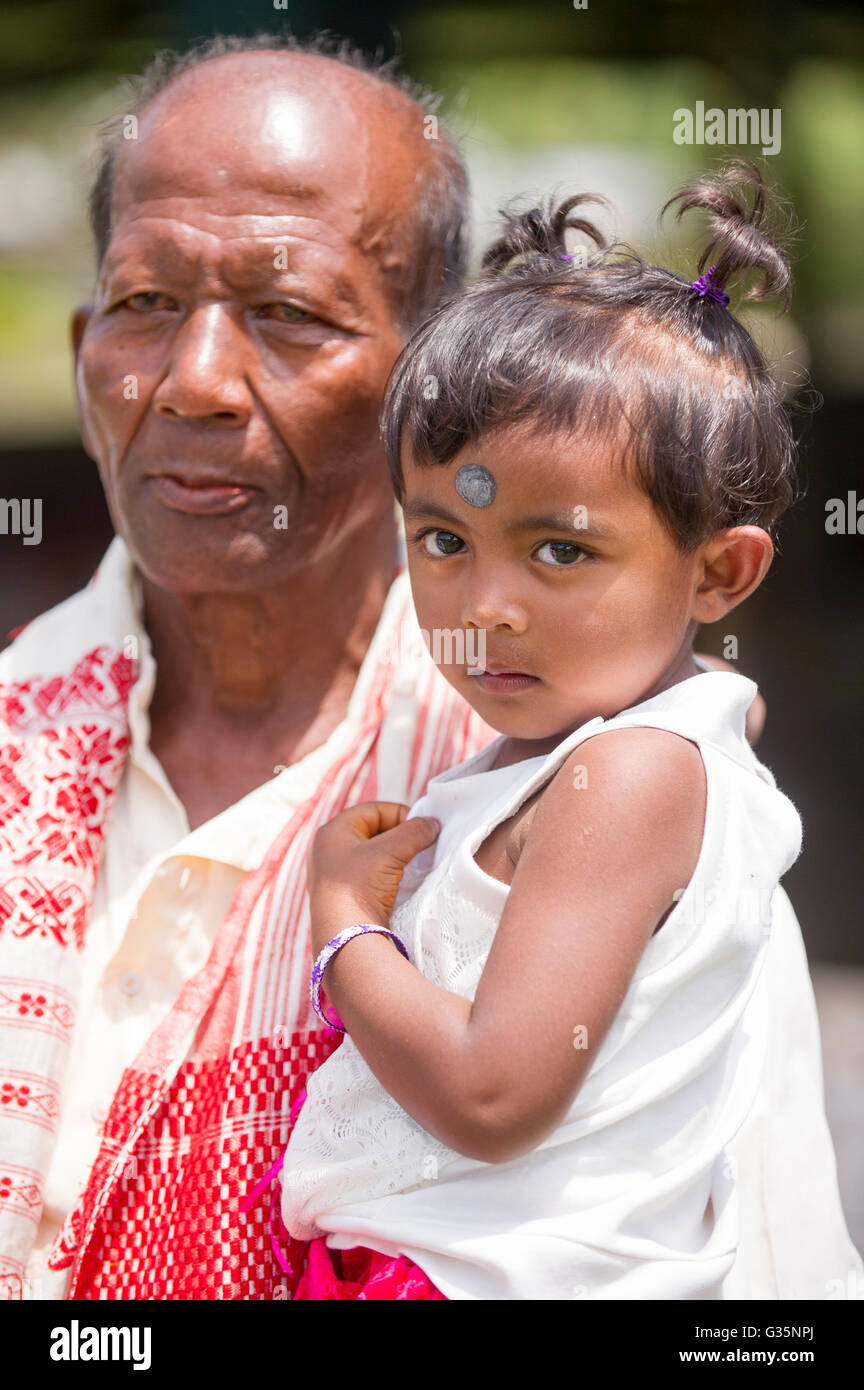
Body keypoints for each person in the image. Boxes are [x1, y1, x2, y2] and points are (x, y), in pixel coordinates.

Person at [277, 163, 864, 1300]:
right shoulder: (625, 740)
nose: (484, 604)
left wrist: (346, 928)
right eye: (443, 539)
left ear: (721, 571)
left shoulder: (629, 775)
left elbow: (494, 1101)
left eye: (561, 551)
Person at [0, 33, 495, 1301]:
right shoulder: (16, 738)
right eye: (147, 303)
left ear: (434, 389)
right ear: (82, 350)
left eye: (287, 315)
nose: (197, 381)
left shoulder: (549, 799)